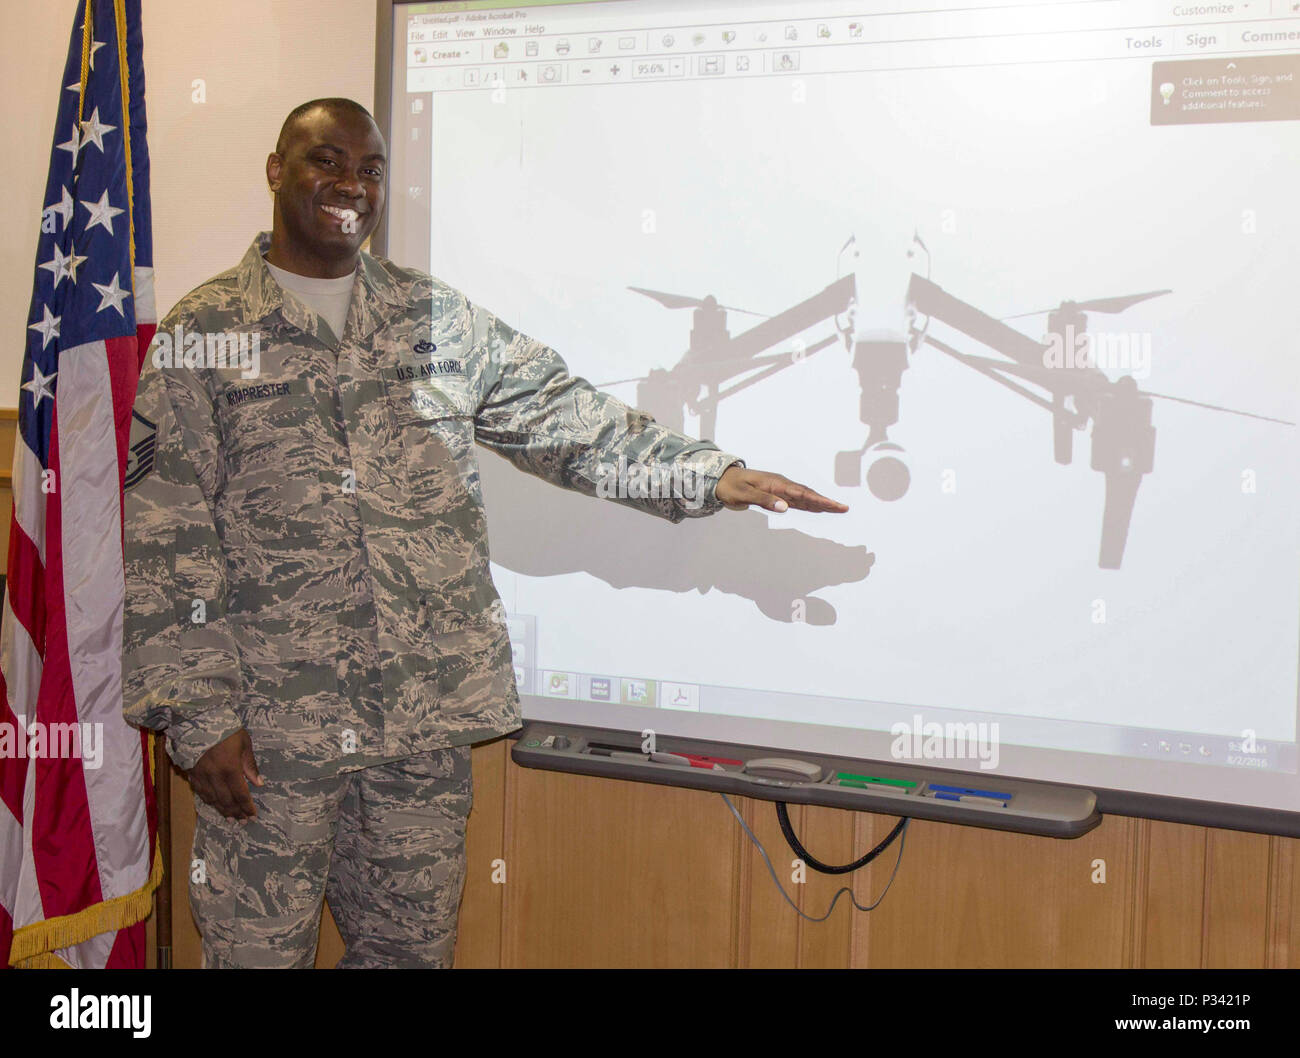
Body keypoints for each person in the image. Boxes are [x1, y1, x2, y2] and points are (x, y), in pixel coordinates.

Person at [121, 98, 847, 968]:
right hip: (276, 737)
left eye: (371, 168)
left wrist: (706, 475)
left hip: (422, 726)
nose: (351, 183)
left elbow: (565, 420)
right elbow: (167, 535)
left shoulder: (437, 320)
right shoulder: (203, 334)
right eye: (326, 161)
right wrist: (199, 722)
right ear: (277, 170)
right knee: (255, 960)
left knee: (409, 956)